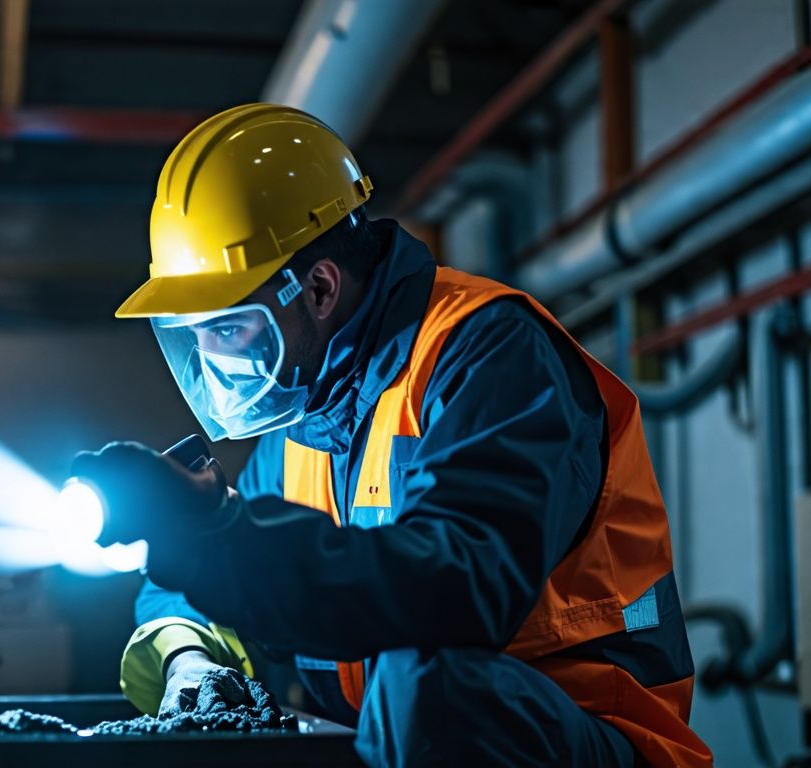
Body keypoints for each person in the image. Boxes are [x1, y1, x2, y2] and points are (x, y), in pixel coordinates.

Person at [70, 103, 714, 766]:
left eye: (228, 328)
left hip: (589, 734)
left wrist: (215, 536)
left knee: (428, 683)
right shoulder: (302, 425)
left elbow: (457, 588)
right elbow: (203, 568)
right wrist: (187, 656)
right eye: (193, 334)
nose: (212, 359)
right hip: (401, 743)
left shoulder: (485, 354)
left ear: (318, 288)